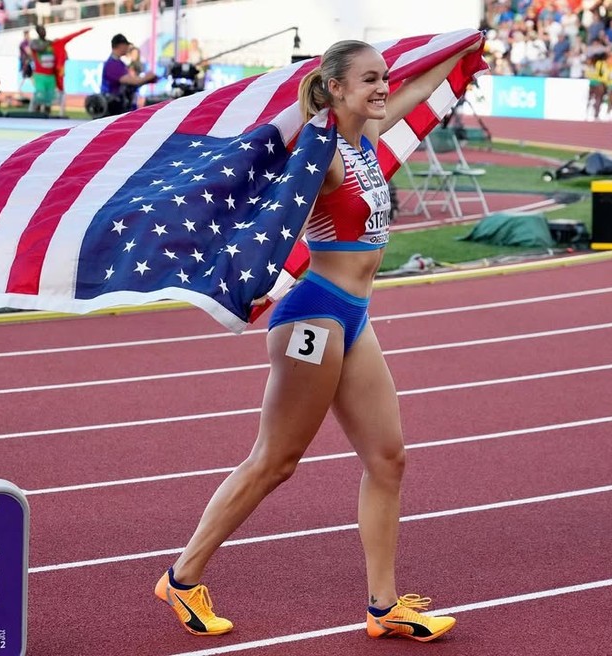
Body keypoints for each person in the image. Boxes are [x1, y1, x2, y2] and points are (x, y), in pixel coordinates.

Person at [154, 36, 482, 643]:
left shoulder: (367, 141)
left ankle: (384, 608)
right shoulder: (322, 149)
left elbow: (418, 90)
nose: (384, 87)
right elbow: (265, 208)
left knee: (388, 459)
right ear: (334, 87)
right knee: (276, 461)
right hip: (313, 318)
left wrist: (463, 46)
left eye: (385, 77)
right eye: (369, 80)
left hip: (354, 315)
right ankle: (182, 576)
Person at [102, 33, 157, 113]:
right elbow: (133, 81)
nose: (128, 48)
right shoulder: (112, 64)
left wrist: (148, 79)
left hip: (120, 104)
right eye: (126, 45)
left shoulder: (119, 63)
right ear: (120, 45)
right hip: (113, 107)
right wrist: (148, 77)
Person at [29, 24, 57, 115]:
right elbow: (39, 49)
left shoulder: (50, 42)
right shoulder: (35, 42)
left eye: (44, 30)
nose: (44, 32)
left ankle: (47, 115)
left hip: (51, 75)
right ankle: (35, 115)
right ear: (38, 32)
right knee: (40, 96)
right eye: (41, 30)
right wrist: (48, 44)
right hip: (40, 75)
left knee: (49, 98)